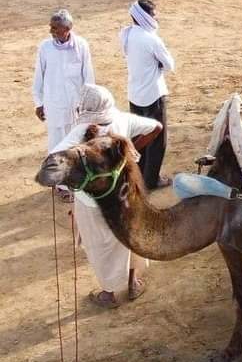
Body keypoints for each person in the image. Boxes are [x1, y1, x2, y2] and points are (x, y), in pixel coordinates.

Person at [50, 84, 161, 308]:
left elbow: (55, 159)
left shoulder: (80, 132)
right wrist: (129, 154)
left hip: (91, 203)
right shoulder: (122, 121)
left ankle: (108, 294)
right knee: (128, 239)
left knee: (99, 246)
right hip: (124, 197)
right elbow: (156, 127)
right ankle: (133, 283)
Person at [120, 0, 175, 189]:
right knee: (157, 139)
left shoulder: (128, 35)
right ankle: (152, 180)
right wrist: (158, 64)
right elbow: (170, 64)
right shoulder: (151, 39)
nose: (155, 17)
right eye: (153, 14)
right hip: (153, 95)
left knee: (139, 136)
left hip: (135, 93)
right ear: (145, 16)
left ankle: (138, 174)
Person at [32, 9, 95, 151]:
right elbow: (38, 77)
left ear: (67, 28)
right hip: (54, 106)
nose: (51, 31)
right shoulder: (45, 47)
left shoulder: (81, 45)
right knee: (55, 148)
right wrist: (39, 103)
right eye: (50, 27)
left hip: (76, 107)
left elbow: (88, 76)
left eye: (54, 28)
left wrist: (87, 102)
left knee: (76, 147)